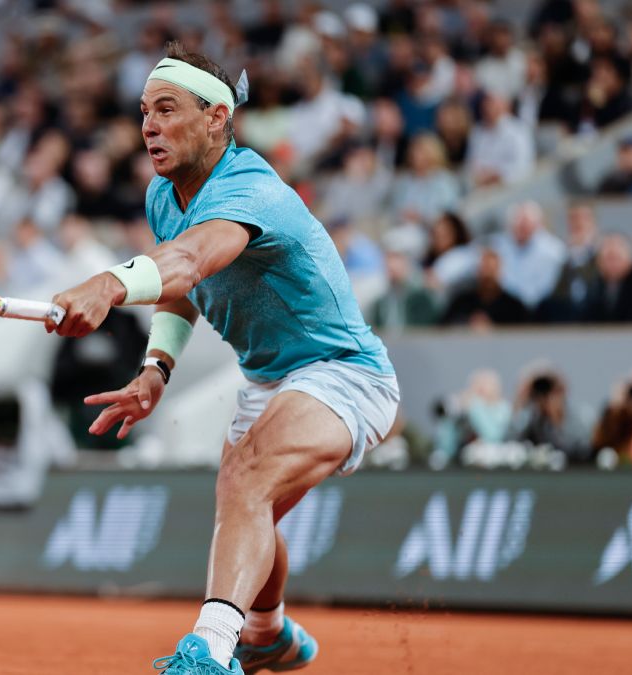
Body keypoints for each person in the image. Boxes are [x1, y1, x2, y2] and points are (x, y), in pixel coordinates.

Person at [45, 43, 399, 674]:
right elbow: (182, 291)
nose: (148, 125)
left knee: (247, 479)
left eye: (167, 109)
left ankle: (209, 653)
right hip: (268, 379)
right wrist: (157, 368)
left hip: (345, 372)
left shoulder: (254, 188)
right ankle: (266, 634)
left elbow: (189, 261)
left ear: (215, 118)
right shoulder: (163, 196)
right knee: (245, 502)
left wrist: (107, 283)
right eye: (144, 111)